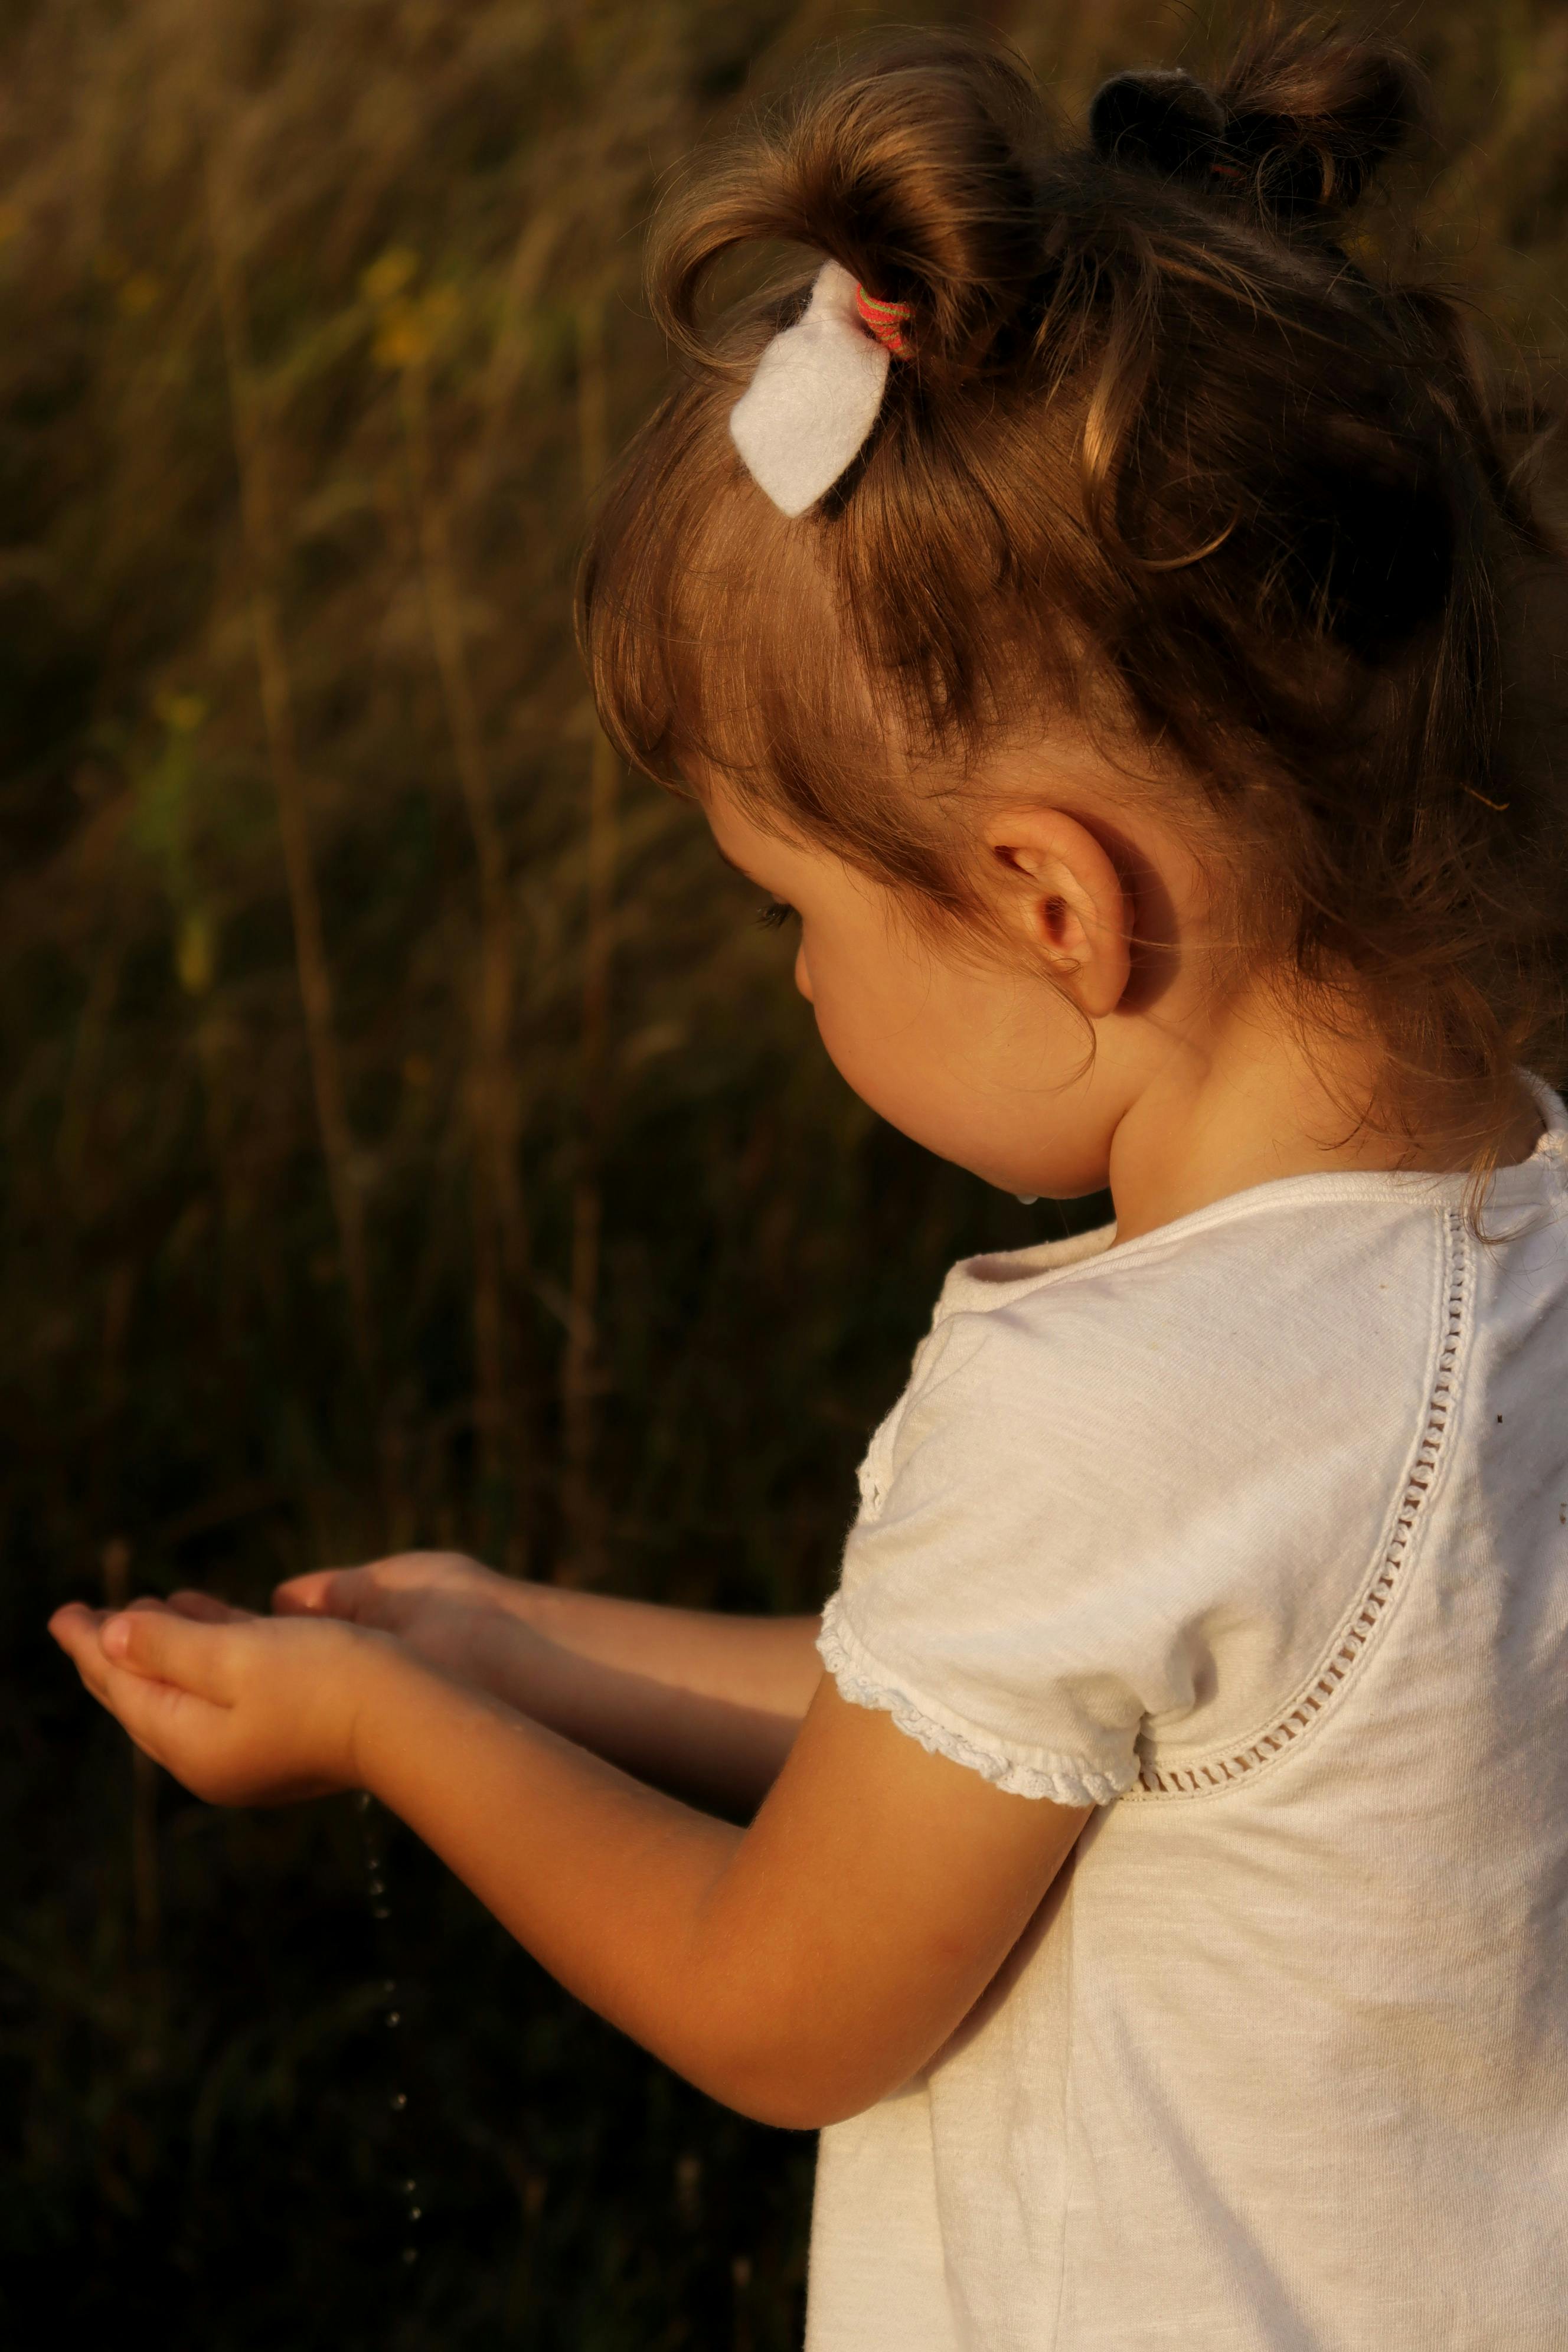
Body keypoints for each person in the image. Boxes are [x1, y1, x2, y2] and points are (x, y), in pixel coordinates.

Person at [50, 21, 1568, 2347]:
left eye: (801, 908)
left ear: (1054, 906)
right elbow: (1014, 1720)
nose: (789, 984)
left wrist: (392, 1737)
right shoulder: (1513, 1231)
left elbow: (786, 2001)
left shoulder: (1110, 1400)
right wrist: (520, 1646)